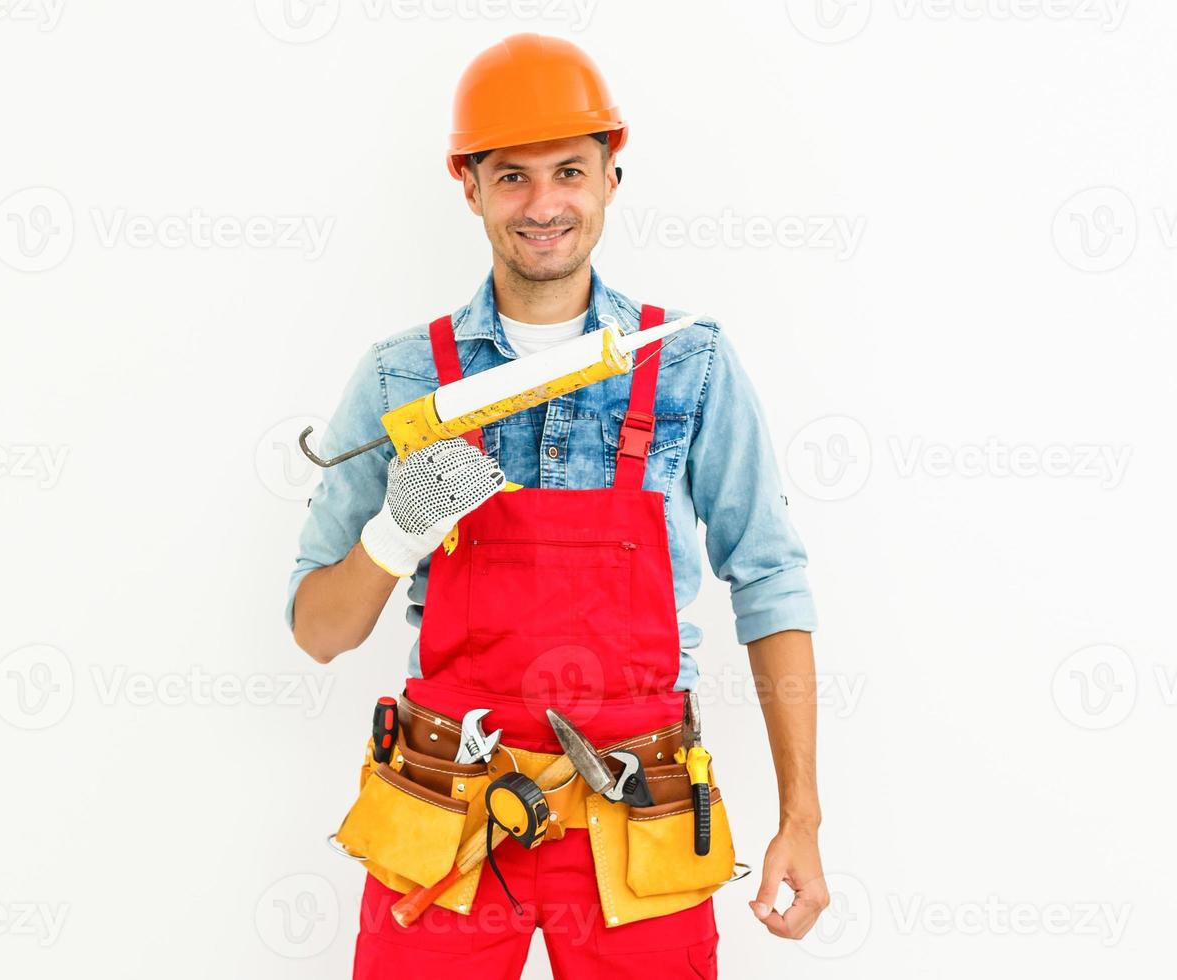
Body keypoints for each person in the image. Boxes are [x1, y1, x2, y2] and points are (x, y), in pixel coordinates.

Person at [287, 32, 828, 979]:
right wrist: (392, 535)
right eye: (512, 177)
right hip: (448, 816)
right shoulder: (402, 379)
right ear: (470, 187)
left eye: (570, 171)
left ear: (613, 176)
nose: (545, 205)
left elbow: (771, 581)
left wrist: (801, 819)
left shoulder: (687, 363)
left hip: (640, 820)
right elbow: (317, 633)